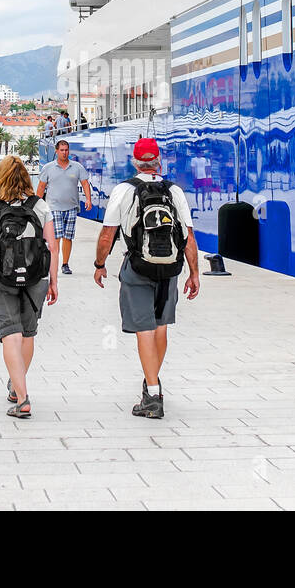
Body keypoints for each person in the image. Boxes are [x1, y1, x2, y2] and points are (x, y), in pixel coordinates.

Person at [92, 137, 200, 419]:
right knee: (161, 327)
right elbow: (188, 236)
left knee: (144, 329)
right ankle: (152, 381)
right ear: (159, 161)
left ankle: (152, 393)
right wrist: (194, 273)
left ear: (135, 162)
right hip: (170, 269)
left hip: (138, 267)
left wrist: (99, 264)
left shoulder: (124, 190)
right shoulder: (174, 191)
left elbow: (107, 234)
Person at [0, 155, 58, 419]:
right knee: (27, 334)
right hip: (35, 278)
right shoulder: (40, 206)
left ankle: (23, 396)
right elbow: (52, 245)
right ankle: (17, 389)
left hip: (0, 277)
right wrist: (54, 280)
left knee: (10, 335)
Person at [36, 140, 93, 276]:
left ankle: (65, 264)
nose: (64, 152)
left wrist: (89, 199)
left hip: (71, 207)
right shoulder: (48, 168)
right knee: (56, 237)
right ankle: (53, 262)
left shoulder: (77, 167)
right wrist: (37, 204)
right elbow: (41, 186)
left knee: (68, 237)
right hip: (53, 207)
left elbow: (85, 183)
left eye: (66, 150)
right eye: (61, 150)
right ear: (56, 151)